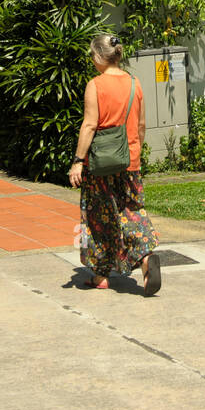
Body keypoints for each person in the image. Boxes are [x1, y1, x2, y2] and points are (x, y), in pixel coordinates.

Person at [68, 34, 161, 296]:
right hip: (129, 160)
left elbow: (89, 125)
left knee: (98, 217)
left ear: (98, 56)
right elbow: (142, 125)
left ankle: (100, 274)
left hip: (100, 164)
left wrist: (77, 162)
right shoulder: (134, 83)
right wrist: (136, 153)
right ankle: (144, 257)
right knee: (131, 209)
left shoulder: (95, 85)